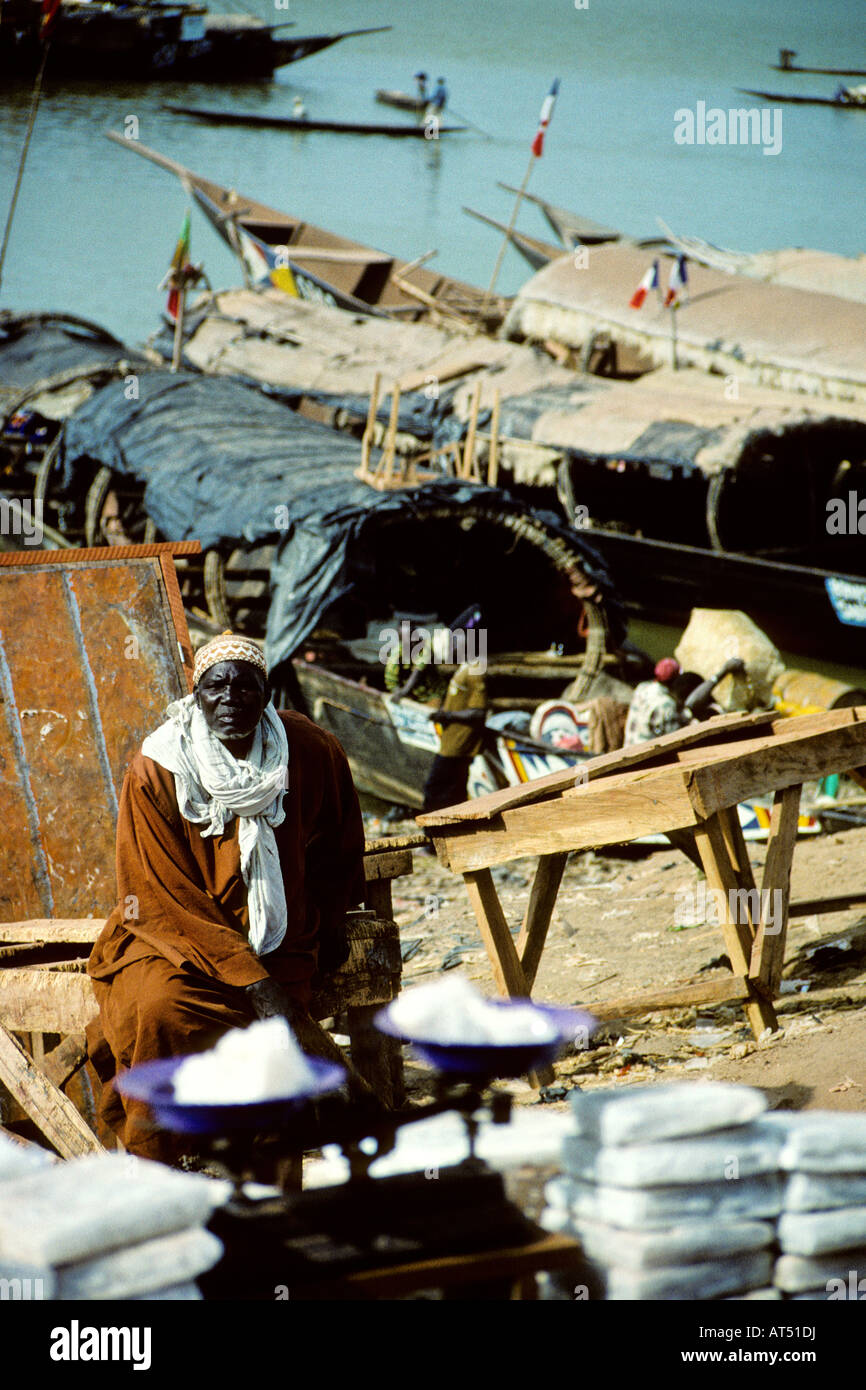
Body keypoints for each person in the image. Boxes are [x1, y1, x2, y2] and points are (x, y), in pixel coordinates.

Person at [86, 630, 366, 1162]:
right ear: (197, 694)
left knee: (267, 1060)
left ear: (266, 696)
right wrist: (255, 984)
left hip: (276, 936)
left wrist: (330, 923)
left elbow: (341, 842)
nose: (230, 700)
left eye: (245, 688)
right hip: (174, 937)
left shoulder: (305, 748)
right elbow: (162, 894)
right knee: (161, 1009)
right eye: (217, 687)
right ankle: (165, 1163)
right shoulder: (158, 767)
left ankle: (263, 1174)